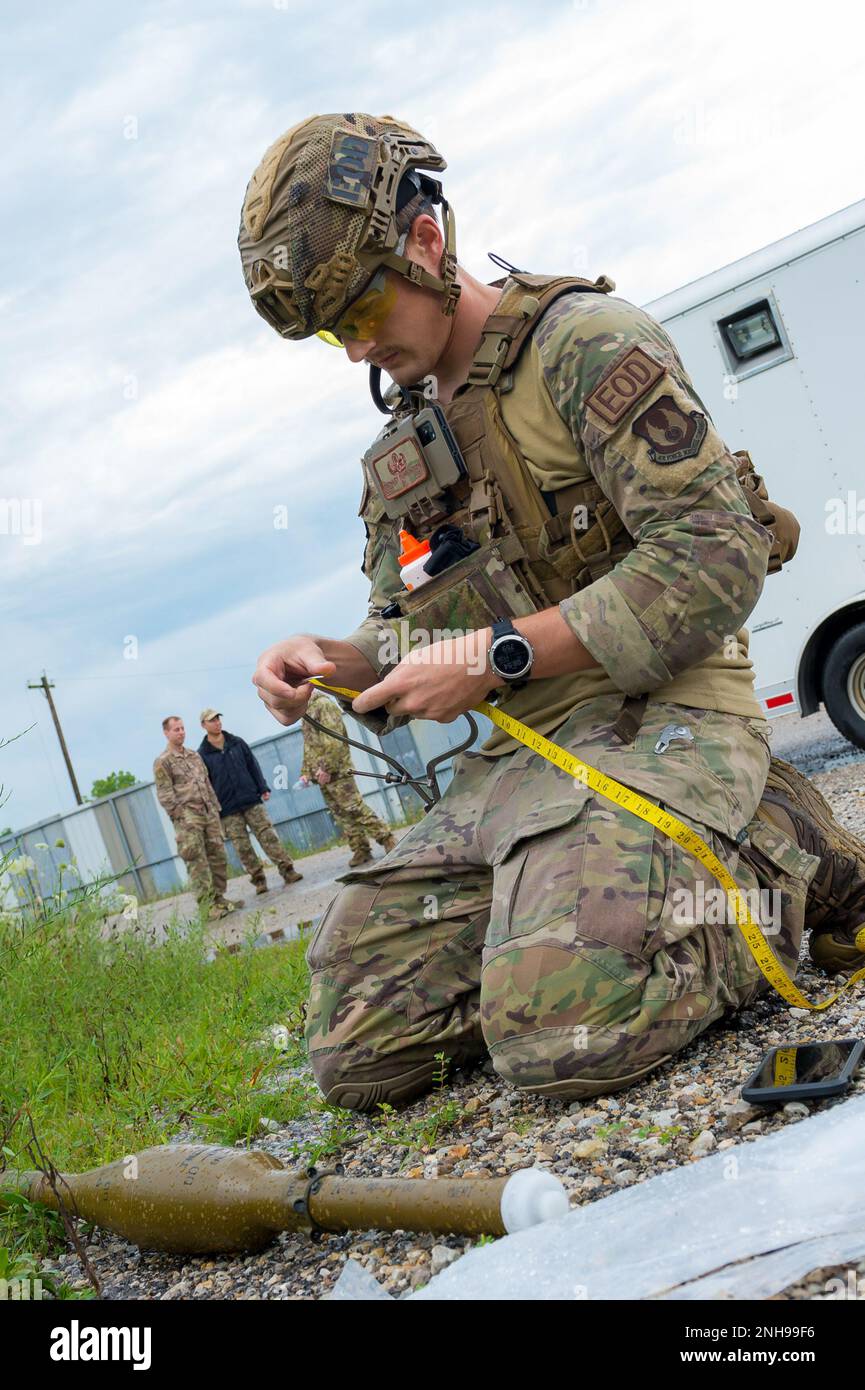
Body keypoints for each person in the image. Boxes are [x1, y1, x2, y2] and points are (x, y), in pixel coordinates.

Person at [238, 113, 865, 1112]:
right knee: (358, 1050)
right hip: (521, 769)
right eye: (329, 330)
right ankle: (581, 914)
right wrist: (337, 656)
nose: (355, 343)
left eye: (359, 307)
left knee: (557, 1039)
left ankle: (780, 861)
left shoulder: (583, 346)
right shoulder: (407, 445)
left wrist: (499, 657)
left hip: (666, 719)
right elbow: (406, 622)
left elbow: (712, 557)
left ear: (425, 243)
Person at [197, 708, 303, 896]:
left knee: (268, 836)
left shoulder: (236, 743)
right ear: (203, 725)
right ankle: (259, 880)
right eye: (211, 720)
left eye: (218, 719)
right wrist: (214, 809)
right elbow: (206, 784)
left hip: (251, 799)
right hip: (227, 809)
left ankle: (288, 870)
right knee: (242, 847)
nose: (217, 723)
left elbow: (252, 765)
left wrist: (262, 787)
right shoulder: (203, 755)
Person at [298, 687, 397, 867]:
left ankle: (387, 839)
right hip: (322, 775)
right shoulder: (307, 710)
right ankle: (361, 849)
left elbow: (334, 738)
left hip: (336, 771)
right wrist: (306, 772)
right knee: (342, 814)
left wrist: (326, 768)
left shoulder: (323, 705)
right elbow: (309, 746)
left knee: (354, 808)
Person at [153, 716, 237, 920]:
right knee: (197, 861)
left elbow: (206, 782)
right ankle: (207, 907)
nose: (181, 732)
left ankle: (219, 899)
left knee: (218, 856)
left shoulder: (193, 756)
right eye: (176, 730)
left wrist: (215, 807)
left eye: (182, 728)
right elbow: (165, 794)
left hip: (208, 812)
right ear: (166, 733)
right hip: (189, 818)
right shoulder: (163, 761)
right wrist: (181, 817)